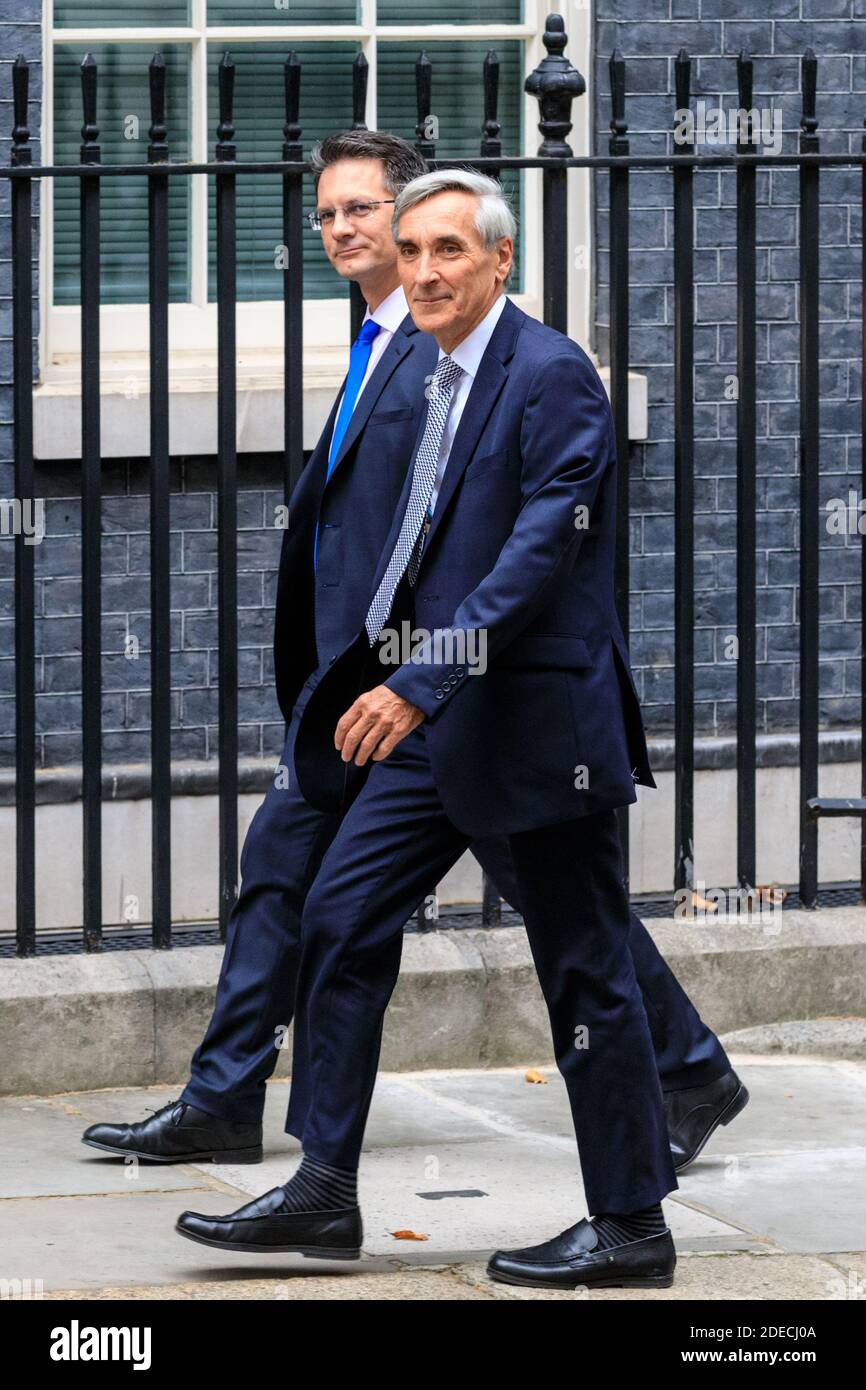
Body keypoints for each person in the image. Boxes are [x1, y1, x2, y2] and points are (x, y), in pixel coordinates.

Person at [170, 168, 748, 1291]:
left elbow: (532, 561)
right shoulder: (429, 378)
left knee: (584, 971)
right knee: (338, 920)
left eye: (450, 252)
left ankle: (631, 1224)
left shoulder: (551, 379)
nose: (425, 271)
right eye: (416, 249)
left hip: (529, 724)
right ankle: (322, 1189)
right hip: (429, 723)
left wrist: (415, 683)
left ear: (499, 262)